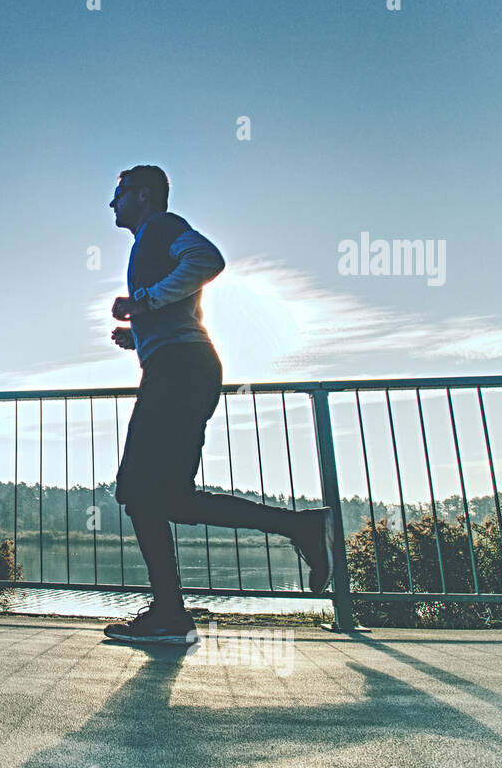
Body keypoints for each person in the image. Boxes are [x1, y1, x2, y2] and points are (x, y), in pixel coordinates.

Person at [102, 164, 333, 644]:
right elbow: (179, 307)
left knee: (138, 491)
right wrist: (140, 333)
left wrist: (145, 300)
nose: (113, 204)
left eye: (119, 194)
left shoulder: (160, 227)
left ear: (143, 196)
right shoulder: (149, 238)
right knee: (168, 498)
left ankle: (170, 613)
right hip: (181, 366)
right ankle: (300, 528)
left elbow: (209, 259)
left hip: (180, 370)